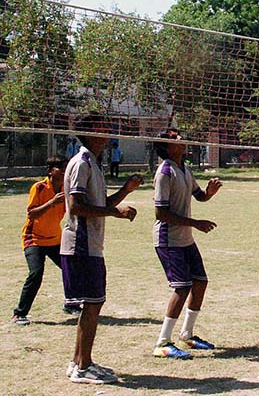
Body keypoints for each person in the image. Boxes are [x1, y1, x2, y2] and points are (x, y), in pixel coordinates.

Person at [62, 114, 143, 384]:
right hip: (80, 244)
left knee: (92, 304)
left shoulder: (94, 163)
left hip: (91, 244)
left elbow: (100, 202)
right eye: (102, 126)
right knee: (94, 303)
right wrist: (115, 212)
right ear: (91, 132)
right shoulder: (82, 163)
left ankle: (79, 363)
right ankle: (83, 367)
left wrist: (126, 190)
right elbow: (75, 207)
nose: (108, 130)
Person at [151, 129, 222, 360]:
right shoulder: (165, 172)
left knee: (200, 282)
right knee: (181, 287)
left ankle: (187, 334)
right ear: (166, 146)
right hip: (168, 239)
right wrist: (195, 223)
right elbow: (161, 213)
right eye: (174, 137)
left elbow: (199, 196)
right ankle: (162, 343)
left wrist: (209, 193)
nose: (181, 138)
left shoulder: (184, 168)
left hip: (185, 239)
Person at [12, 156, 81, 325]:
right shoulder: (39, 187)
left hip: (55, 239)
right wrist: (52, 202)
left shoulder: (67, 189)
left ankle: (70, 303)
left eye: (65, 167)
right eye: (60, 167)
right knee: (36, 274)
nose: (64, 170)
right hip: (33, 239)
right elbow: (32, 213)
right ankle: (19, 314)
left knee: (71, 270)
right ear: (50, 171)